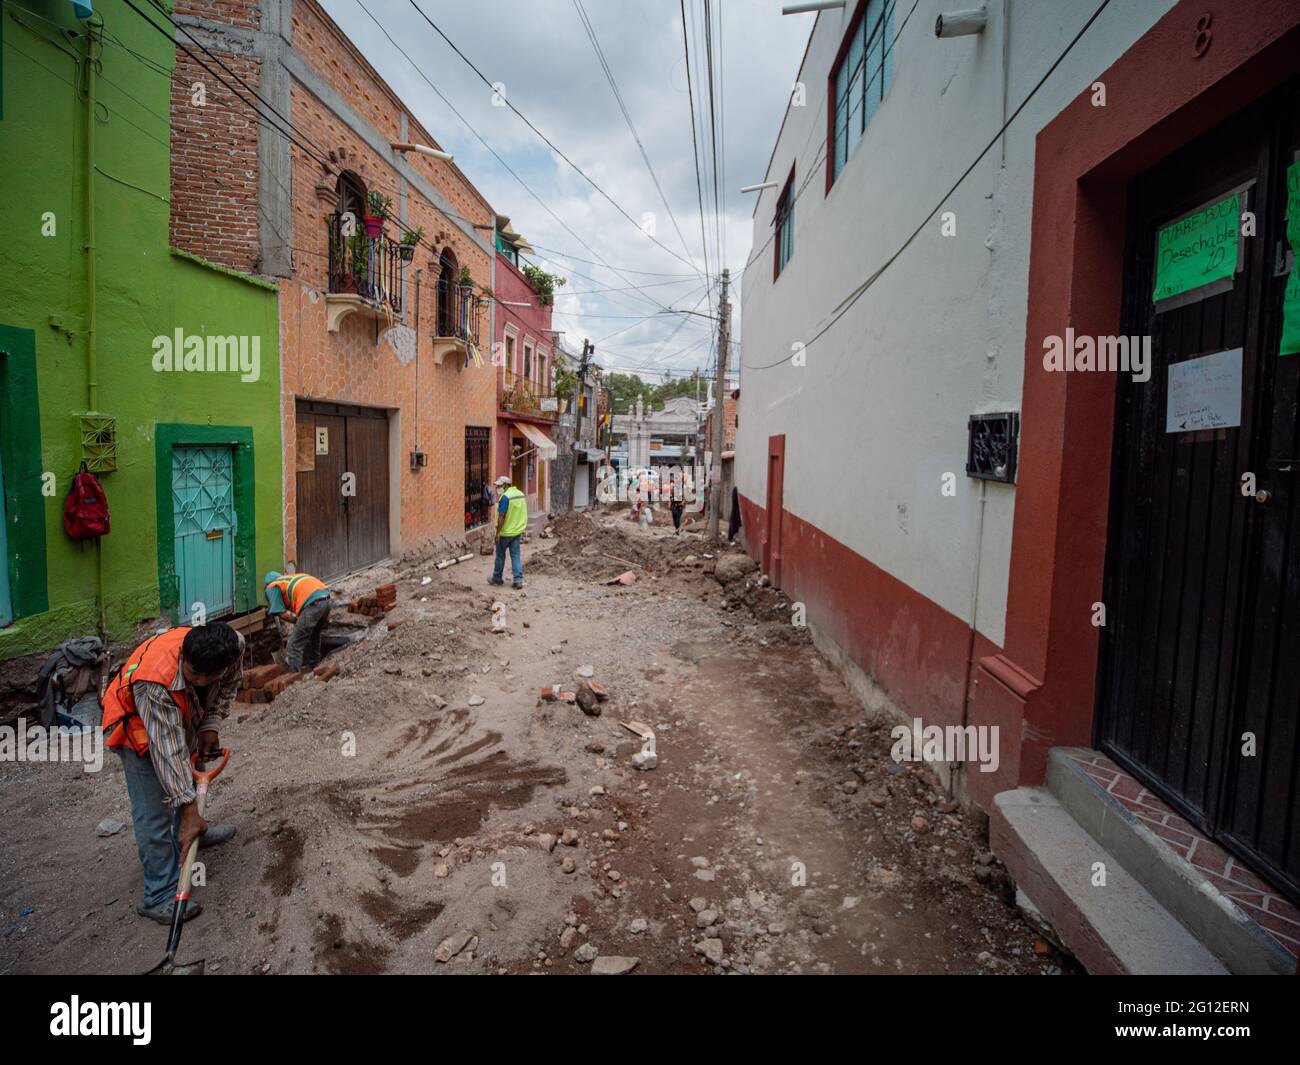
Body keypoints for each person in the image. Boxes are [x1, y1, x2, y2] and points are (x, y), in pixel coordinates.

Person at [101, 623, 243, 925]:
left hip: (178, 713)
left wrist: (210, 724)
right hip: (135, 727)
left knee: (190, 773)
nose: (202, 681)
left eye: (209, 676)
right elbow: (169, 753)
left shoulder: (234, 646)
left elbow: (229, 684)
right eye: (194, 675)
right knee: (154, 811)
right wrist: (188, 807)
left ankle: (191, 837)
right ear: (184, 657)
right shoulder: (153, 682)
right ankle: (159, 893)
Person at [264, 570, 332, 673]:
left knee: (294, 643)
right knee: (315, 634)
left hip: (313, 604)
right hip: (326, 600)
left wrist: (297, 621)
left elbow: (281, 613)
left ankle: (293, 675)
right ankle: (313, 665)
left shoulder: (272, 586)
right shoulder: (292, 578)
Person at [488, 474, 528, 589]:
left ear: (505, 485)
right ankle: (518, 580)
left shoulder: (505, 497)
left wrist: (497, 533)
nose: (497, 488)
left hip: (505, 532)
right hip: (517, 531)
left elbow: (502, 516)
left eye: (499, 486)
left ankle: (497, 578)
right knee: (515, 556)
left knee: (500, 556)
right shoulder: (520, 494)